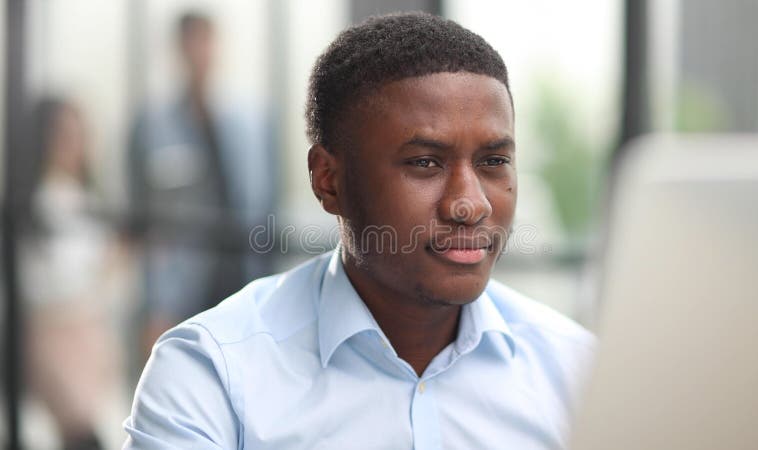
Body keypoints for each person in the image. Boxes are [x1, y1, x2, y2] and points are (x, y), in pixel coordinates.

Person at [124, 12, 594, 449]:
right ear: (328, 180)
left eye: (493, 161)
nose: (471, 203)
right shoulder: (213, 375)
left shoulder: (579, 374)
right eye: (425, 162)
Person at [127, 11, 276, 357]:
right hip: (182, 285)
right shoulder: (152, 125)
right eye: (190, 43)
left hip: (243, 274)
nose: (199, 53)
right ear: (178, 50)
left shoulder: (251, 121)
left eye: (205, 42)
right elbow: (143, 222)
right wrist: (155, 302)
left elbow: (267, 206)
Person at [19, 98, 129, 450]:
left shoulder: (86, 199)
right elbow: (41, 285)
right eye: (64, 135)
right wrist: (105, 265)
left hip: (92, 336)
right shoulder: (35, 205)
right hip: (56, 338)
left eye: (80, 134)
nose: (75, 145)